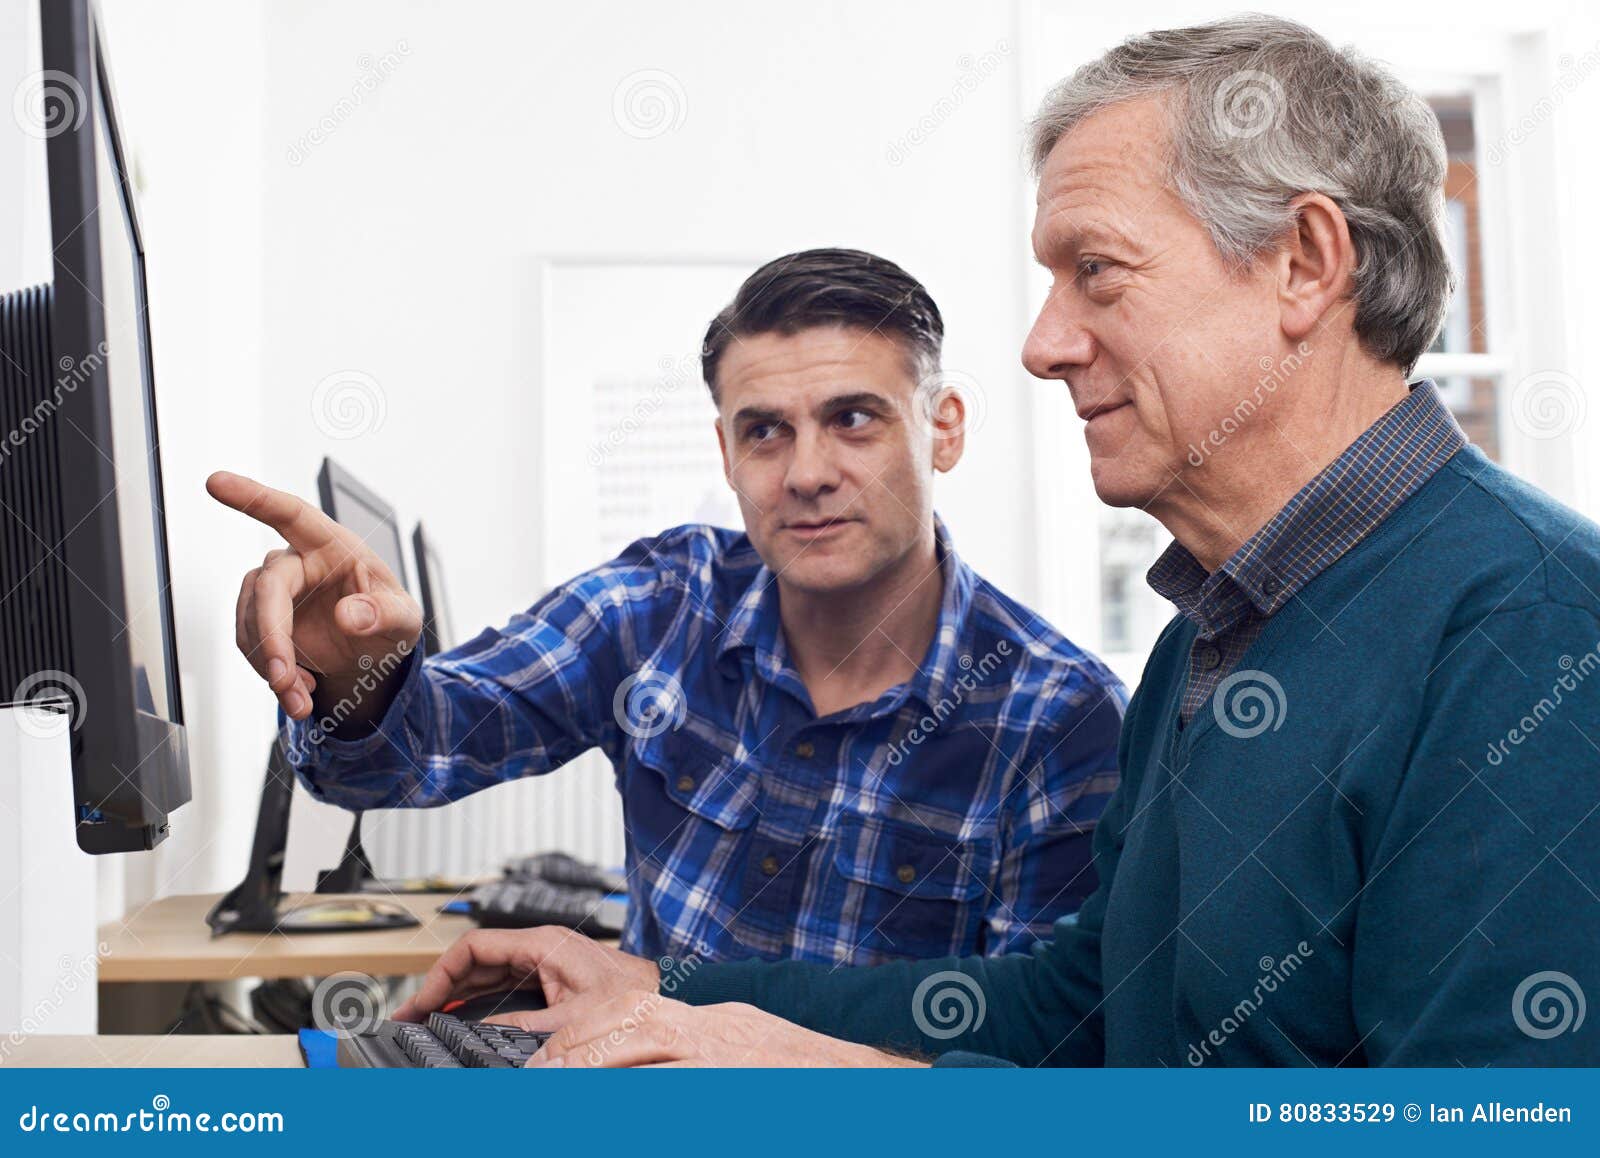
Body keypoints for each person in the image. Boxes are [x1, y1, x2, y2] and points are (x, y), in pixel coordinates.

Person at [397, 15, 1600, 1067]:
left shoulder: (1528, 625)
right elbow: (1078, 1009)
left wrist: (855, 1088)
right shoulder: (1211, 642)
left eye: (1095, 273)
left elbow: (1479, 1122)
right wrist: (675, 992)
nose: (1042, 343)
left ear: (1303, 263)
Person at [208, 248, 1125, 966]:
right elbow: (406, 758)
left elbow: (1031, 1062)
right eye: (764, 432)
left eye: (854, 419)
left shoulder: (1058, 716)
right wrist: (354, 673)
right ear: (726, 456)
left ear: (944, 428)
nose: (806, 474)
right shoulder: (661, 608)